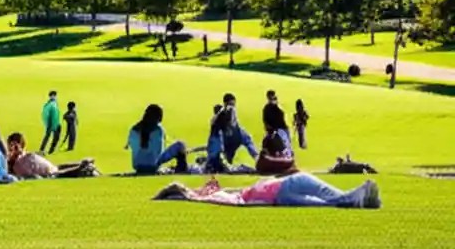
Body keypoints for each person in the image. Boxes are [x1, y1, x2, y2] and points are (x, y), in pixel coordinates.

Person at [153, 173, 380, 208]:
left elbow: (216, 195)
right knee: (333, 198)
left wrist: (189, 197)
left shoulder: (217, 195)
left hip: (280, 192)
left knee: (332, 203)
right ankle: (363, 196)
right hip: (288, 181)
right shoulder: (225, 192)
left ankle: (360, 197)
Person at [126, 104, 188, 174]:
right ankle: (182, 170)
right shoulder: (158, 130)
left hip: (138, 166)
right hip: (153, 165)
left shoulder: (134, 129)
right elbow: (159, 151)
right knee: (180, 145)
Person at [209, 93, 259, 167]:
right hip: (227, 139)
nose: (233, 106)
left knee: (247, 140)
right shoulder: (222, 114)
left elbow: (233, 123)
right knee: (226, 160)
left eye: (233, 104)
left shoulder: (230, 111)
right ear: (225, 104)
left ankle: (257, 159)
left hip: (236, 135)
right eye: (231, 104)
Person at [256, 104, 296, 175]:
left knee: (262, 161)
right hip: (287, 161)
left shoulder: (271, 136)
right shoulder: (284, 132)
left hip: (280, 163)